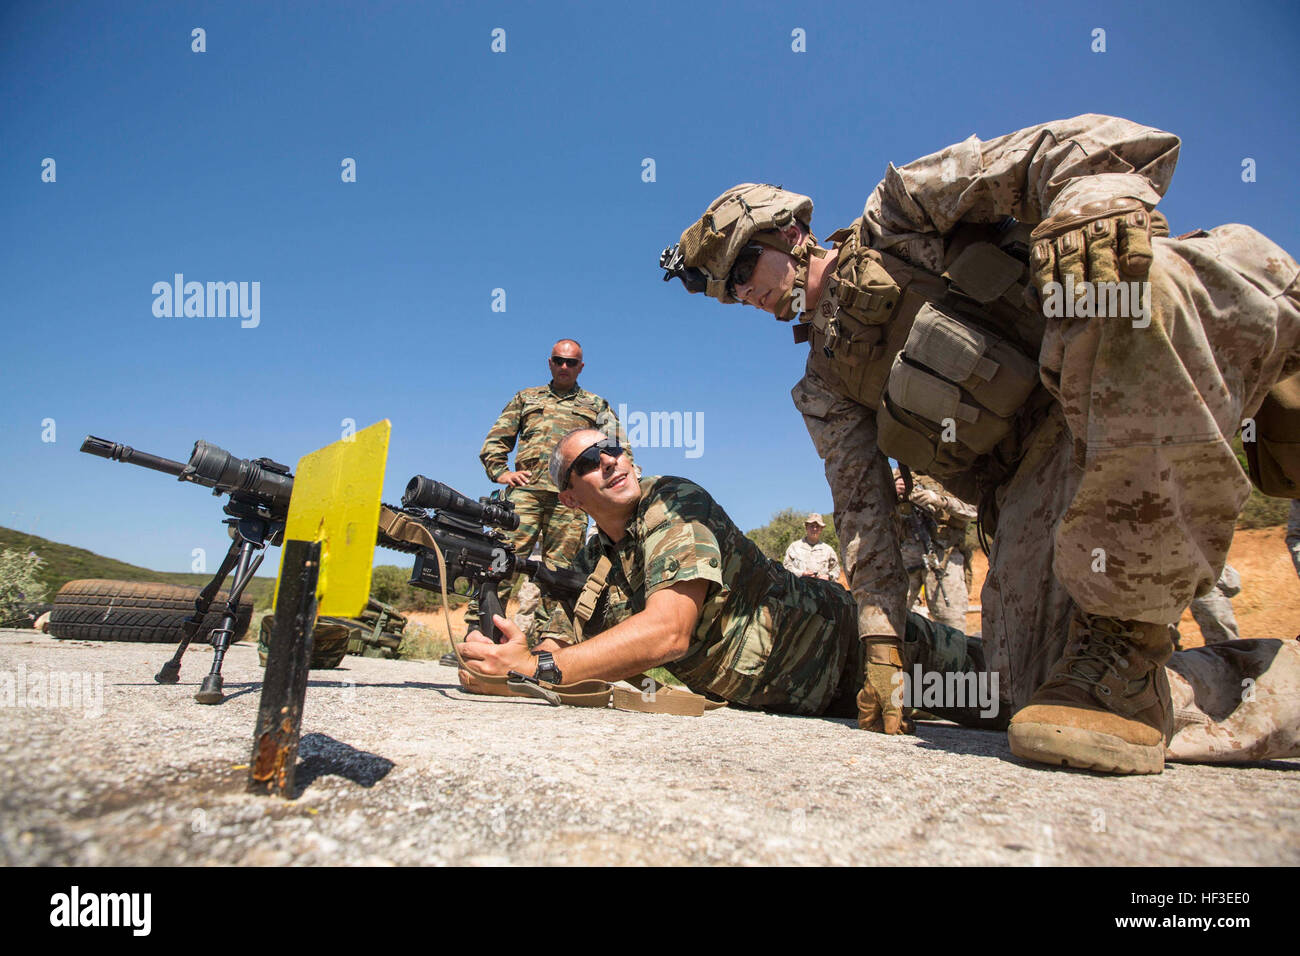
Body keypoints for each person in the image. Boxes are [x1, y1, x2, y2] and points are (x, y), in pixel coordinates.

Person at [661, 114, 1300, 774]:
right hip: (1028, 478)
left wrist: (1090, 209)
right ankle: (1269, 689)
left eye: (742, 266)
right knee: (1040, 702)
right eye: (729, 291)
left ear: (789, 230)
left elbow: (1064, 148)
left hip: (1102, 378)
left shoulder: (903, 215)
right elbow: (862, 510)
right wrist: (881, 640)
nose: (744, 294)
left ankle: (1126, 635)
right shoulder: (825, 386)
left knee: (1118, 287)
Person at [459, 428, 992, 729]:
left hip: (851, 648)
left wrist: (537, 668)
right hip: (809, 700)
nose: (612, 460)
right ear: (572, 497)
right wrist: (505, 667)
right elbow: (560, 645)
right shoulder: (599, 563)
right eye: (591, 460)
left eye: (615, 446)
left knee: (1000, 691)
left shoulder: (672, 501)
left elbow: (668, 631)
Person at [469, 339, 628, 640]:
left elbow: (616, 448)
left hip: (570, 499)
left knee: (560, 573)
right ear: (550, 363)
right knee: (499, 559)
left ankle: (549, 645)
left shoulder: (596, 405)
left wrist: (606, 491)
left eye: (571, 362)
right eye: (559, 360)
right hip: (525, 494)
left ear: (581, 367)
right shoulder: (526, 398)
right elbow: (496, 441)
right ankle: (481, 634)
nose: (564, 366)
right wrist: (501, 473)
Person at [894, 469, 975, 632]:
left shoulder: (956, 470)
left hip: (944, 556)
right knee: (893, 616)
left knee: (950, 619)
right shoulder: (899, 473)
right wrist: (893, 489)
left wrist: (942, 501)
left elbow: (974, 510)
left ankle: (954, 656)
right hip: (904, 556)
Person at [782, 513, 841, 582]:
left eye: (817, 526)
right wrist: (802, 574)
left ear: (821, 529)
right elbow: (786, 567)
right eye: (812, 526)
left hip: (822, 589)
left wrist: (829, 577)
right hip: (799, 589)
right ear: (806, 527)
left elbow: (835, 569)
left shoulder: (828, 550)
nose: (814, 529)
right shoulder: (794, 547)